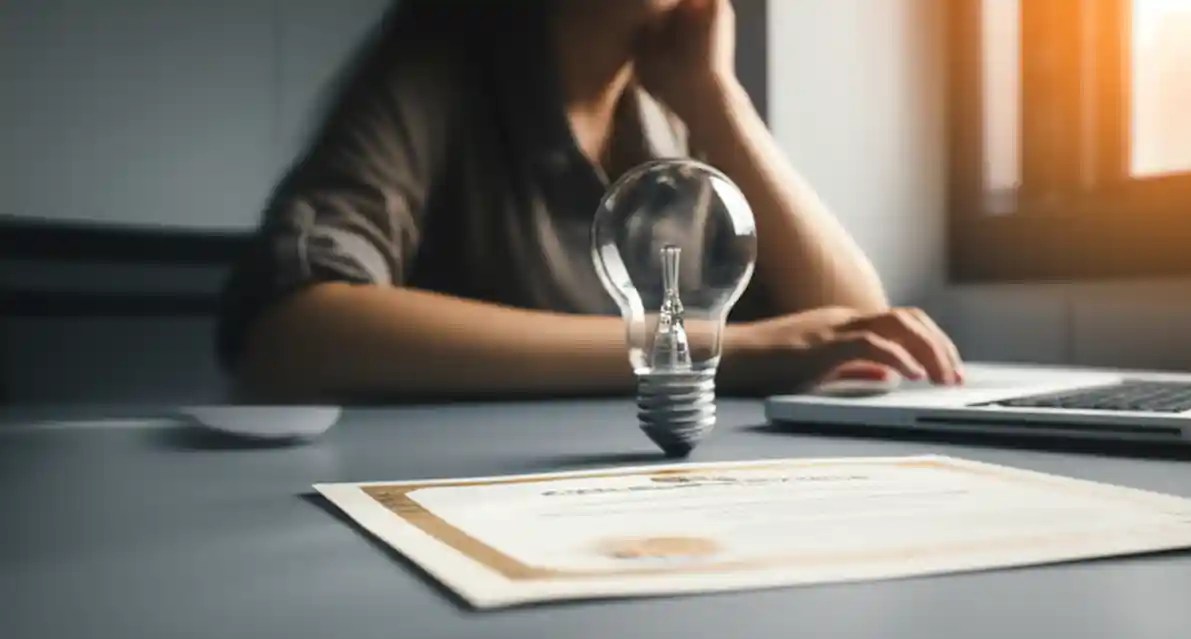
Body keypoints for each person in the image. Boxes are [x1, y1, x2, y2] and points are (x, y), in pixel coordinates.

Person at [217, 0, 964, 400]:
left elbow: (858, 325)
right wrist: (713, 350)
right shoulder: (443, 57)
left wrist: (719, 101)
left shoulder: (667, 116)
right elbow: (292, 332)